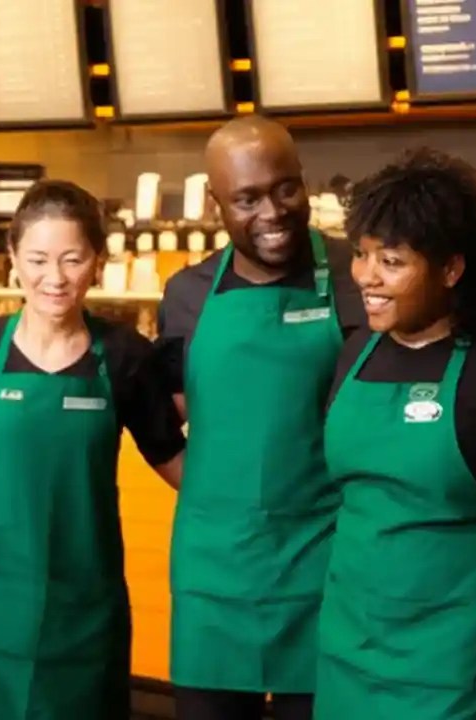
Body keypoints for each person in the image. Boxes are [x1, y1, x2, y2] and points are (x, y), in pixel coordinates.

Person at [0, 180, 186, 719]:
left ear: (96, 261)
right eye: (39, 259)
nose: (55, 278)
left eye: (73, 259)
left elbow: (171, 458)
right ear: (13, 260)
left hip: (84, 611)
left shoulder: (124, 356)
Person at [314, 149, 476, 719]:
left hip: (457, 671)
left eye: (391, 261)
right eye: (362, 256)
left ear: (451, 269)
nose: (367, 277)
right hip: (348, 655)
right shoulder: (353, 353)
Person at [155, 115, 364, 720]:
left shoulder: (357, 276)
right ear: (216, 203)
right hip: (215, 568)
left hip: (325, 559)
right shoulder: (187, 294)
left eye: (286, 189)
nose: (272, 211)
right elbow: (171, 409)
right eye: (245, 199)